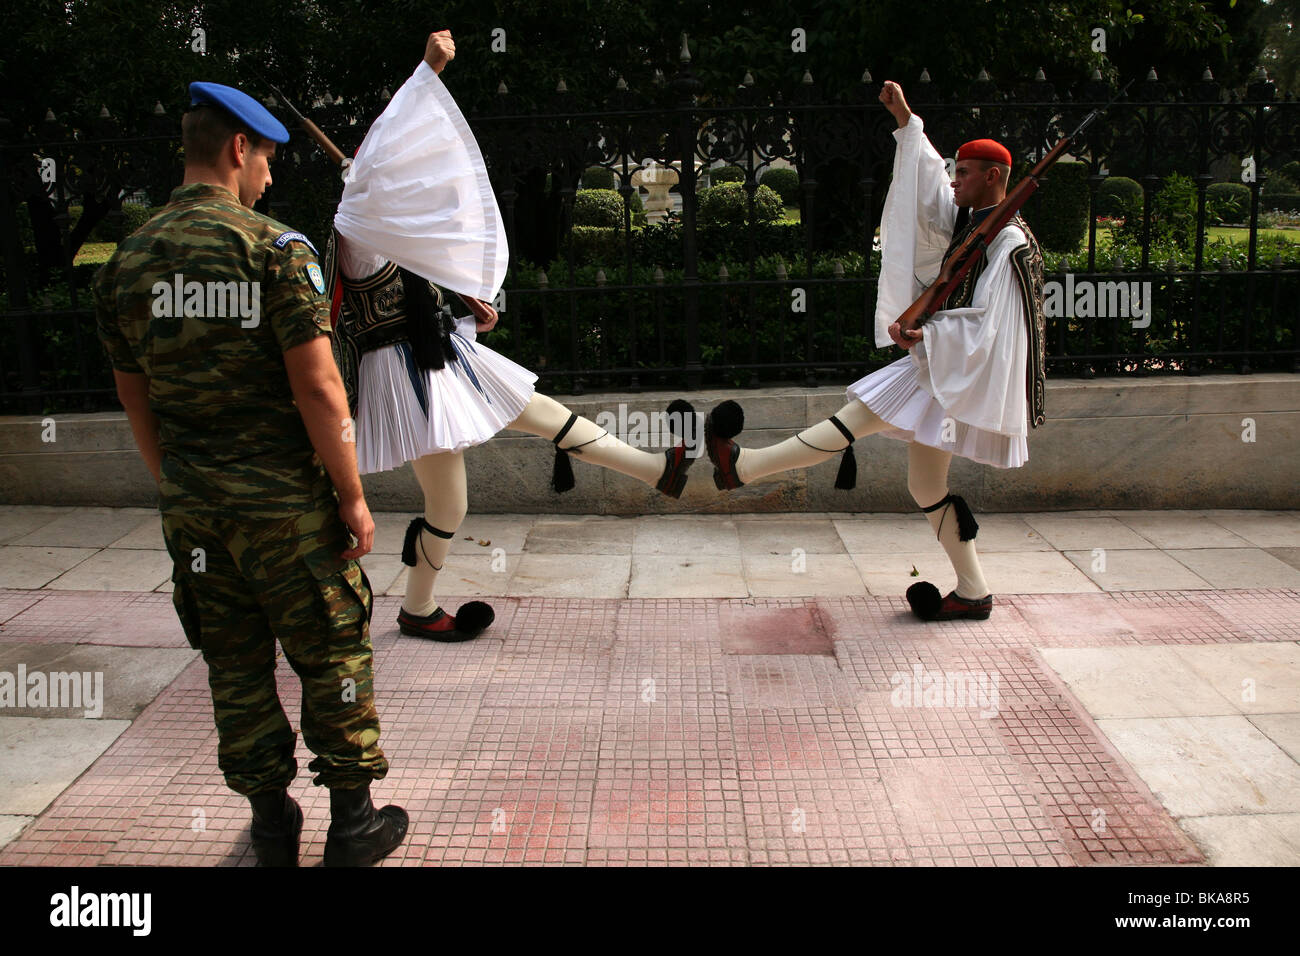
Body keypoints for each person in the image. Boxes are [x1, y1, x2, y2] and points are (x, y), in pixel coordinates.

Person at [94, 81, 406, 866]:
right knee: (331, 653)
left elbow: (138, 403)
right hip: (286, 511)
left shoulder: (126, 262)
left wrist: (183, 484)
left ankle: (272, 824)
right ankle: (353, 823)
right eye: (267, 156)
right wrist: (352, 495)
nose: (270, 174)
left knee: (234, 664)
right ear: (239, 149)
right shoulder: (273, 250)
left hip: (196, 513)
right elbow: (318, 387)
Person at [328, 30, 695, 641]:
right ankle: (418, 609)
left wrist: (463, 298)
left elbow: (419, 263)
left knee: (545, 414)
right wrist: (428, 72)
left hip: (440, 355)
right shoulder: (359, 224)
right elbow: (396, 149)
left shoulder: (381, 220)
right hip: (406, 374)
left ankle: (659, 472)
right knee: (449, 506)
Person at [703, 80, 1046, 622]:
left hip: (954, 368)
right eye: (955, 170)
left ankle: (743, 468)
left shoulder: (1009, 240)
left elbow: (992, 326)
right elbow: (925, 181)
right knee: (925, 483)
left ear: (995, 177)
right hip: (944, 363)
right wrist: (908, 124)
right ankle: (974, 590)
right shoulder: (973, 220)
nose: (953, 181)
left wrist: (927, 333)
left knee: (855, 417)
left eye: (964, 173)